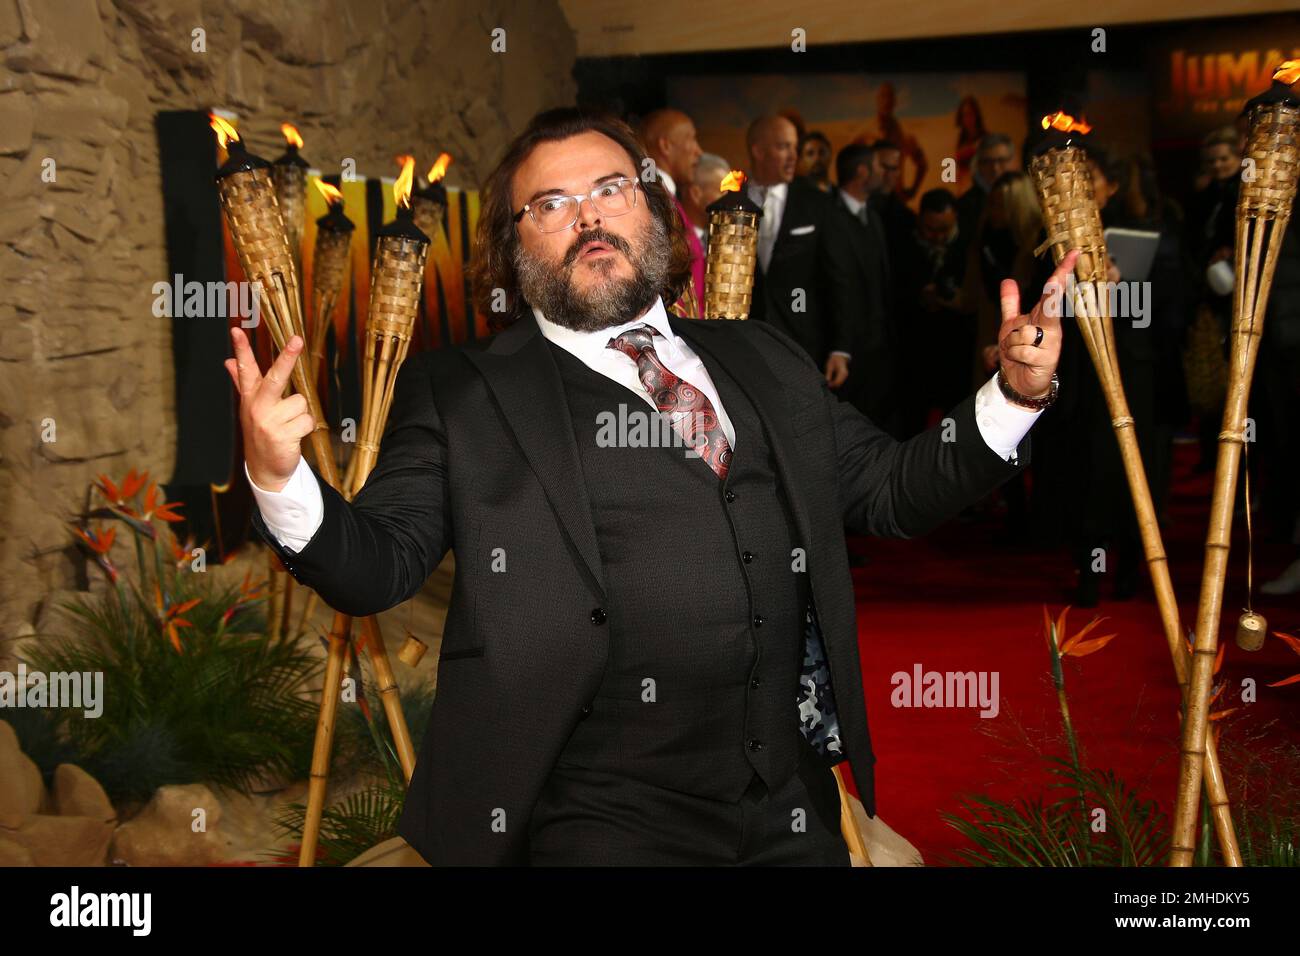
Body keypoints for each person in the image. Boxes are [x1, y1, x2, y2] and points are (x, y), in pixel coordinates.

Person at [227, 106, 1074, 866]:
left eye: (609, 188)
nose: (589, 215)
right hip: (596, 812)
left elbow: (892, 487)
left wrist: (1013, 395)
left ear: (654, 207)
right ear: (514, 246)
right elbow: (377, 565)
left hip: (786, 796)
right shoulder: (462, 392)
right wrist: (279, 476)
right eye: (551, 205)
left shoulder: (765, 358)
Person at [744, 114, 861, 388]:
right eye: (784, 147)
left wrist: (840, 349)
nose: (793, 156)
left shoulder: (818, 204)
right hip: (748, 347)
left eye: (795, 148)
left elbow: (840, 280)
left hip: (807, 347)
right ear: (758, 150)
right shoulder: (731, 202)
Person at [895, 188, 974, 438]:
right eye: (931, 230)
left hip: (957, 351)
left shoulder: (968, 244)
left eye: (945, 230)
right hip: (913, 353)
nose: (939, 237)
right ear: (920, 221)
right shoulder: (901, 245)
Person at [831, 142, 896, 433]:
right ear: (862, 171)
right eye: (879, 167)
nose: (884, 174)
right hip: (848, 349)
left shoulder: (875, 216)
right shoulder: (828, 217)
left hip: (880, 345)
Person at [637, 108, 705, 315]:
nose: (698, 151)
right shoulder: (652, 202)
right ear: (665, 145)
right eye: (691, 139)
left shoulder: (669, 198)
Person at [956, 133, 1016, 245]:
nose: (995, 168)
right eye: (988, 162)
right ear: (978, 165)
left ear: (1013, 161)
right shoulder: (965, 205)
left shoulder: (1031, 196)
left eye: (1001, 160)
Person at [680, 151, 730, 252]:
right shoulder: (674, 241)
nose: (729, 201)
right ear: (696, 194)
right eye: (722, 192)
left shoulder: (720, 242)